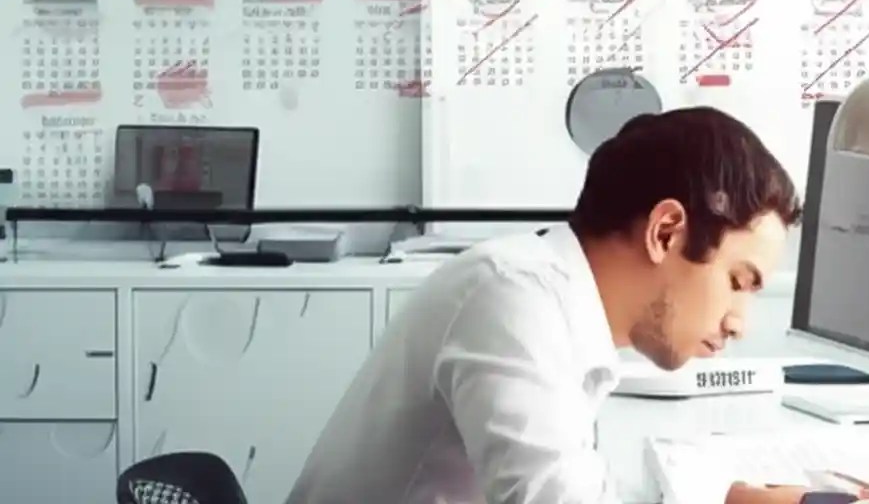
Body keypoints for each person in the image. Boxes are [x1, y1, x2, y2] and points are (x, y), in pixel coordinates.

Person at [286, 107, 809, 504]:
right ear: (665, 232)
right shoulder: (509, 296)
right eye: (739, 281)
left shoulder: (550, 300)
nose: (739, 323)